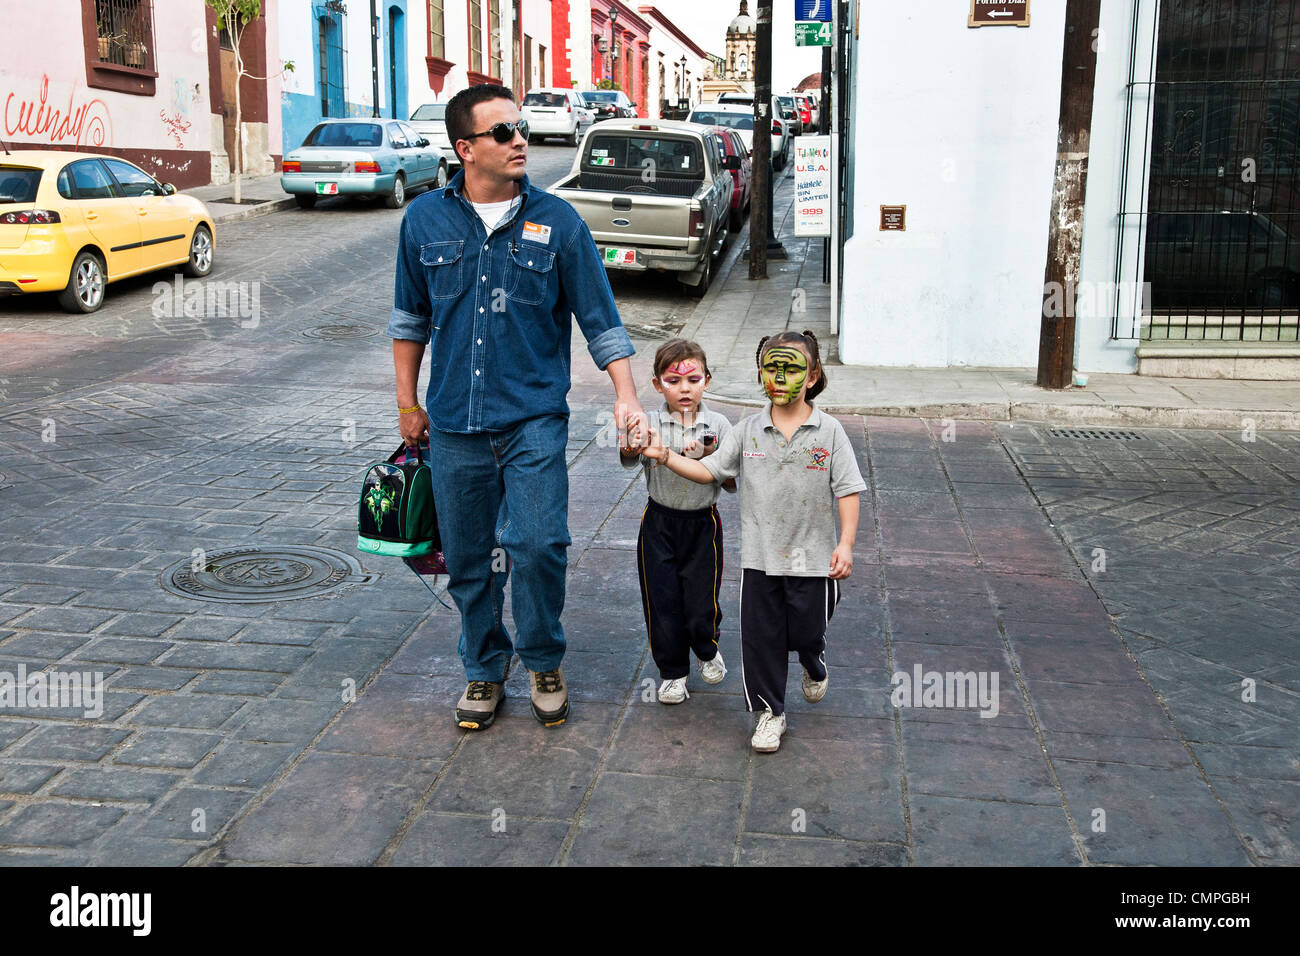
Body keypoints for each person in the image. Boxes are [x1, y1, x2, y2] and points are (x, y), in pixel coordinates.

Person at [388, 84, 645, 731]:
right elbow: (409, 318)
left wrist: (626, 395)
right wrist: (406, 402)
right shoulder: (424, 221)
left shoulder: (559, 224)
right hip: (452, 424)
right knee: (470, 559)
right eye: (503, 132)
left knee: (537, 544)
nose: (520, 140)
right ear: (465, 148)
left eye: (522, 128)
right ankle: (482, 667)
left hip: (533, 419)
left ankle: (542, 656)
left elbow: (600, 319)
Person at [640, 330, 865, 753]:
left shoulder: (830, 432)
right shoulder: (746, 431)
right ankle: (769, 713)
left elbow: (848, 489)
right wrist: (667, 456)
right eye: (770, 368)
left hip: (814, 561)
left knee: (806, 630)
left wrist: (847, 543)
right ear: (760, 375)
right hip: (760, 561)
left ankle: (813, 661)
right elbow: (711, 472)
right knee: (762, 639)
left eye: (792, 368)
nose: (780, 377)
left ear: (814, 376)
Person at [620, 339, 734, 704]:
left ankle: (706, 647)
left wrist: (716, 458)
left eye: (693, 379)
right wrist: (629, 443)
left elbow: (731, 481)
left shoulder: (718, 424)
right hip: (659, 524)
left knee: (701, 599)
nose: (684, 388)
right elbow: (627, 458)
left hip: (703, 524)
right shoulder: (649, 421)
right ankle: (672, 672)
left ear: (707, 380)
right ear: (657, 384)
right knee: (662, 599)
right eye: (673, 381)